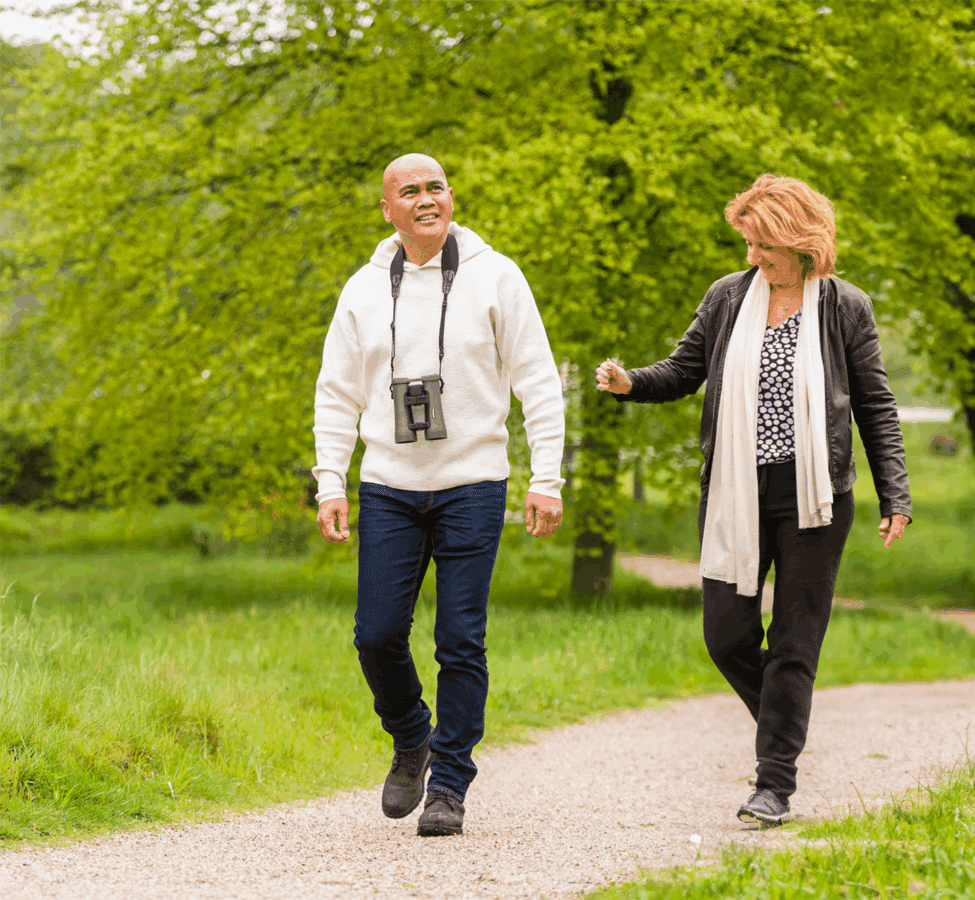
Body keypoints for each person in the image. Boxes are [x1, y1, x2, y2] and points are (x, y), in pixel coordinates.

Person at [595, 174, 912, 826]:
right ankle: (784, 719)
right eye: (747, 243)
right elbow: (685, 370)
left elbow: (876, 405)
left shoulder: (845, 307)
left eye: (761, 243)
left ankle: (775, 783)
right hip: (736, 490)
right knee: (726, 634)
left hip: (815, 499)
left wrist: (895, 493)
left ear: (798, 239)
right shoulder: (727, 297)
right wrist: (631, 383)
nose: (751, 256)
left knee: (795, 642)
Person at [312, 154, 566, 837]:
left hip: (473, 485)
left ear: (451, 197)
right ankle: (411, 736)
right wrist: (329, 480)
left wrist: (547, 477)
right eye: (410, 191)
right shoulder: (362, 290)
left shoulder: (496, 275)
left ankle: (450, 781)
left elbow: (538, 379)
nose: (427, 199)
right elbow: (336, 393)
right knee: (377, 635)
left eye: (436, 187)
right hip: (389, 487)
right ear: (388, 209)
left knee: (461, 639)